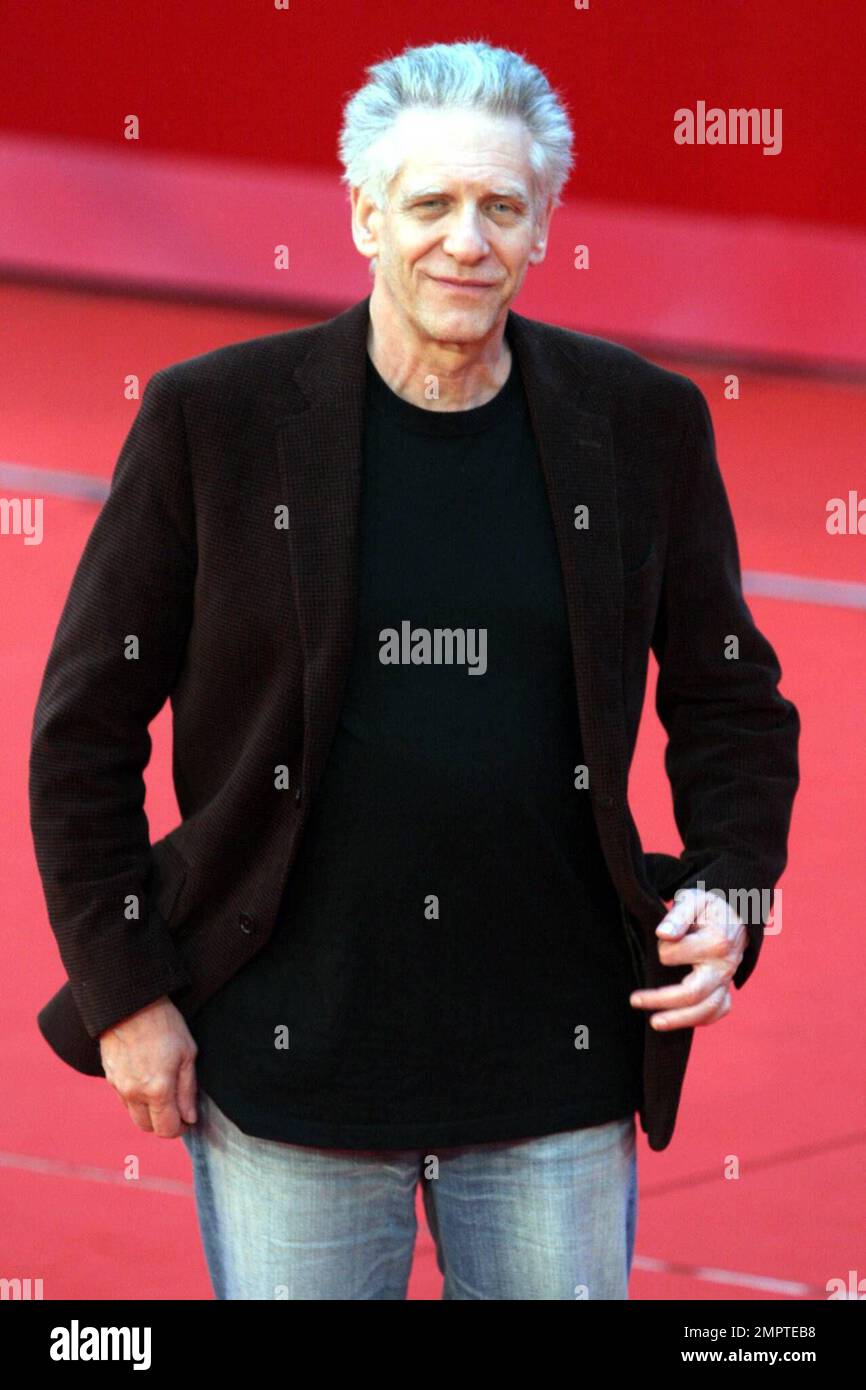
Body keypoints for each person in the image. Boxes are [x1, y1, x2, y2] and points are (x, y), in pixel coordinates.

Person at [29, 40, 800, 1300]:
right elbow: (83, 732)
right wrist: (124, 992)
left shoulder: (641, 423)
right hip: (291, 1060)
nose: (465, 240)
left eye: (501, 206)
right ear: (363, 214)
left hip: (555, 1060)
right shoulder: (212, 420)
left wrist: (731, 887)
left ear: (544, 227)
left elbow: (728, 699)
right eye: (430, 203)